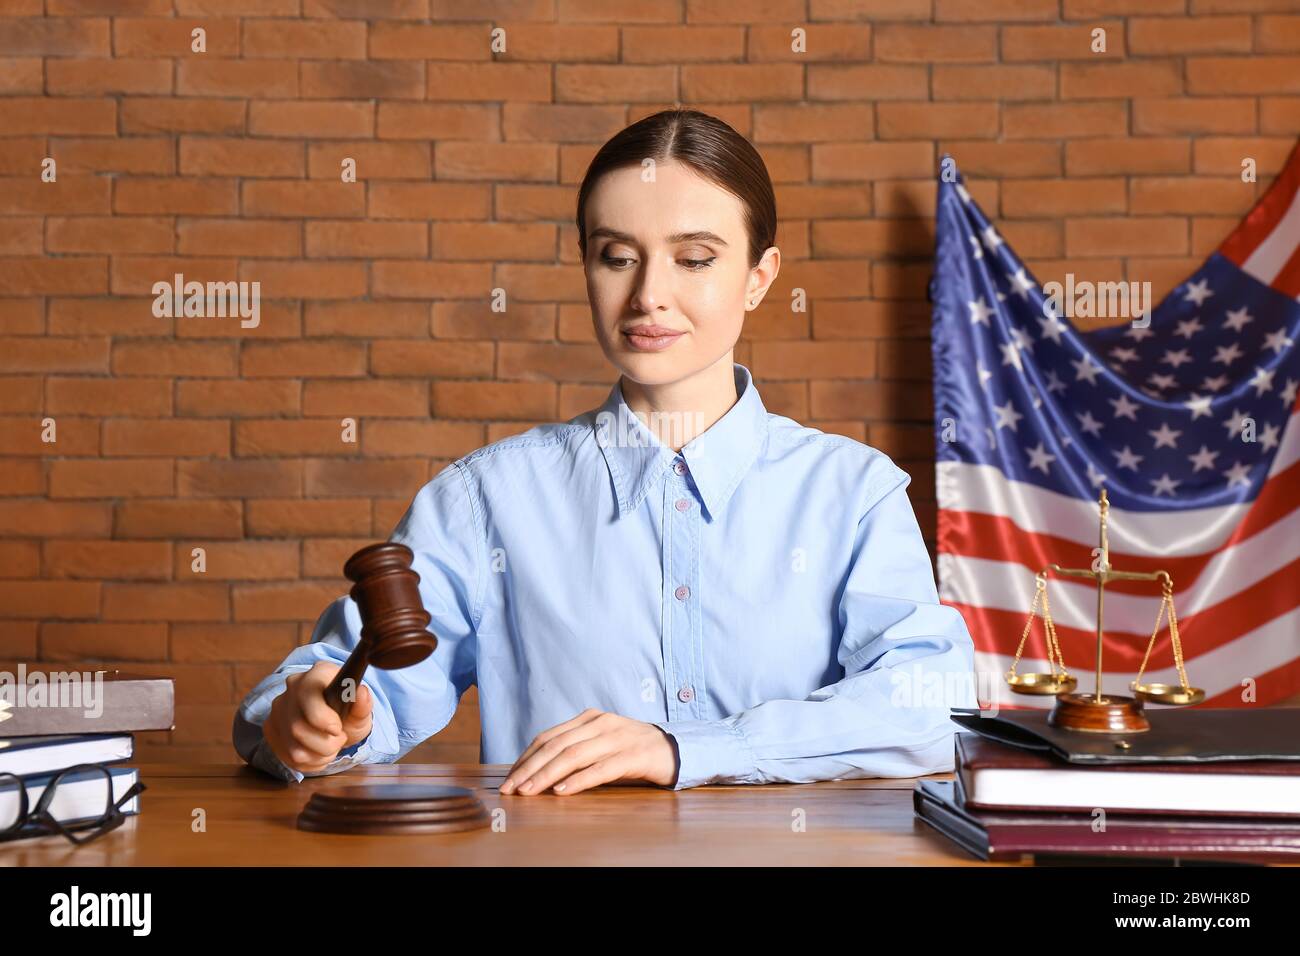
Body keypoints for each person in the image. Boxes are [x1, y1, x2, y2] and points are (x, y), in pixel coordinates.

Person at [233, 107, 977, 794]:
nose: (649, 294)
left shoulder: (851, 492)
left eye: (694, 259)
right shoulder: (484, 501)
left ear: (758, 278)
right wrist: (311, 720)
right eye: (618, 256)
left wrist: (689, 749)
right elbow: (354, 694)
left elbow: (931, 704)